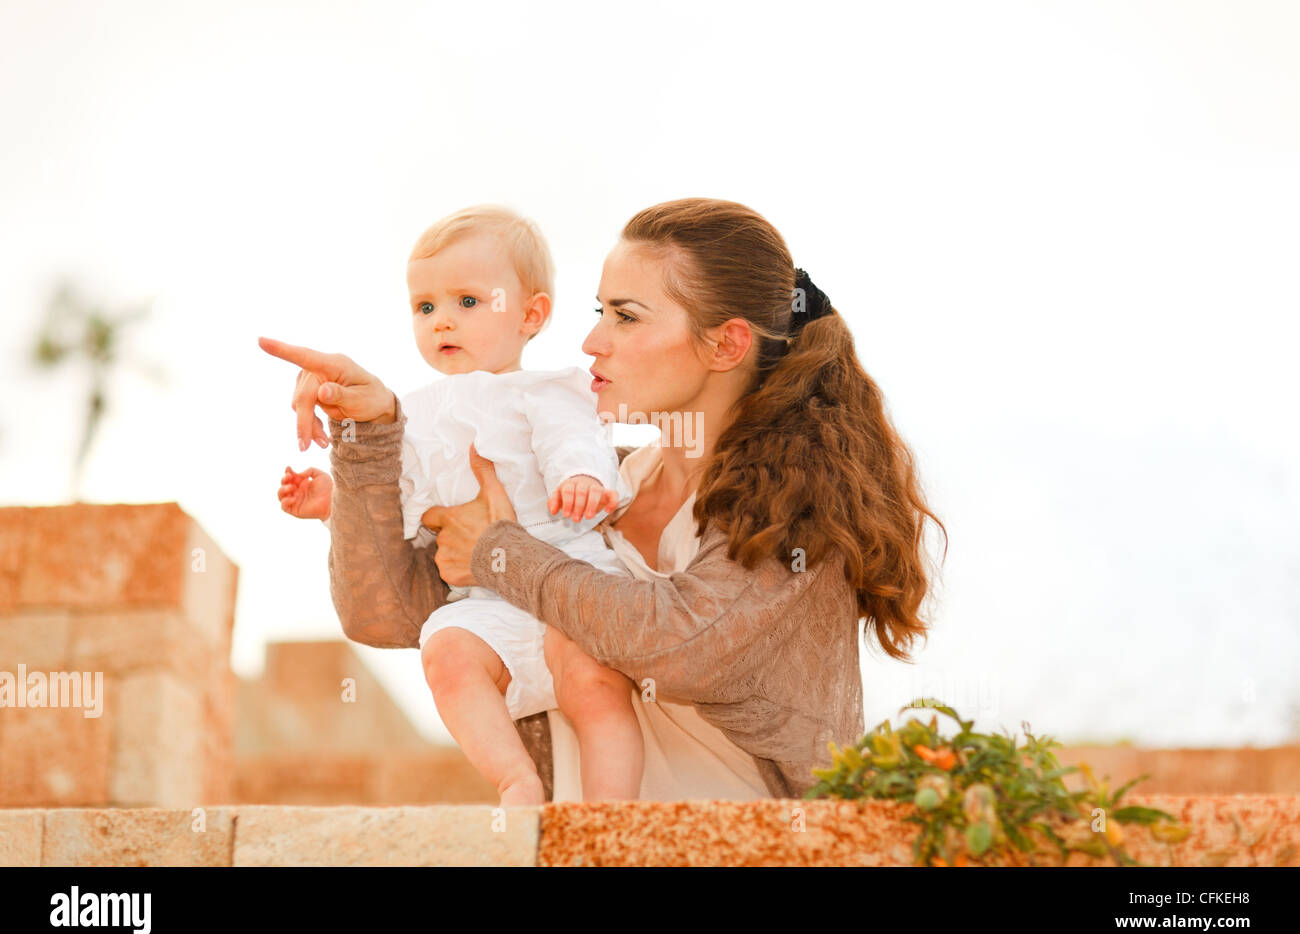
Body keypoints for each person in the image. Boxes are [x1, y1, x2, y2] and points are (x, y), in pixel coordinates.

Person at [261, 197, 946, 801]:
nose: (591, 341)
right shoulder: (594, 482)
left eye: (625, 316)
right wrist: (368, 431)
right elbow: (387, 613)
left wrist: (500, 552)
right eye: (598, 312)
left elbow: (679, 642)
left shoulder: (795, 508)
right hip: (580, 849)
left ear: (725, 343)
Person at [268, 204, 646, 807]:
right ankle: (514, 779)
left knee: (596, 686)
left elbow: (573, 439)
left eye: (467, 302)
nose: (443, 321)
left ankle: (606, 814)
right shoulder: (415, 413)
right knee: (445, 652)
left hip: (569, 577)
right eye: (425, 307)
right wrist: (333, 503)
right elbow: (397, 499)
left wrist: (579, 476)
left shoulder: (543, 390)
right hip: (486, 599)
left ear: (531, 314)